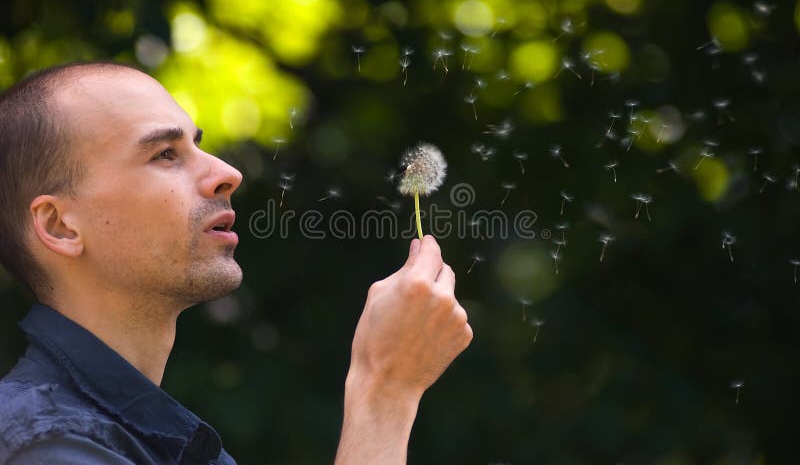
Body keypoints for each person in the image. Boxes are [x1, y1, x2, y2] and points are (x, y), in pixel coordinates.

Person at [0, 62, 473, 464]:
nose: (228, 173)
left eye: (197, 145)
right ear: (60, 225)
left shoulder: (149, 441)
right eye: (165, 154)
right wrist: (384, 390)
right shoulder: (46, 446)